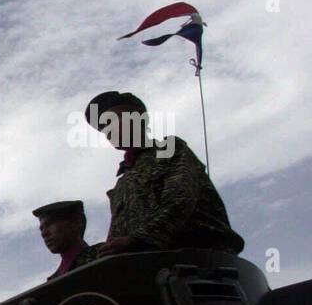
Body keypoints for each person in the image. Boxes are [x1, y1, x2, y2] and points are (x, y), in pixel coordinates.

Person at [84, 91, 243, 256]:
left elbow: (181, 198)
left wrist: (138, 240)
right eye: (103, 127)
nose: (109, 130)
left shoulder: (168, 149)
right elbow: (117, 236)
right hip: (144, 263)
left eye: (114, 120)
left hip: (199, 257)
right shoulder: (122, 183)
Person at [33, 200, 98, 280]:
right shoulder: (53, 281)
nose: (44, 234)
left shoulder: (104, 254)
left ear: (77, 222)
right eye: (41, 229)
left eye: (49, 224)